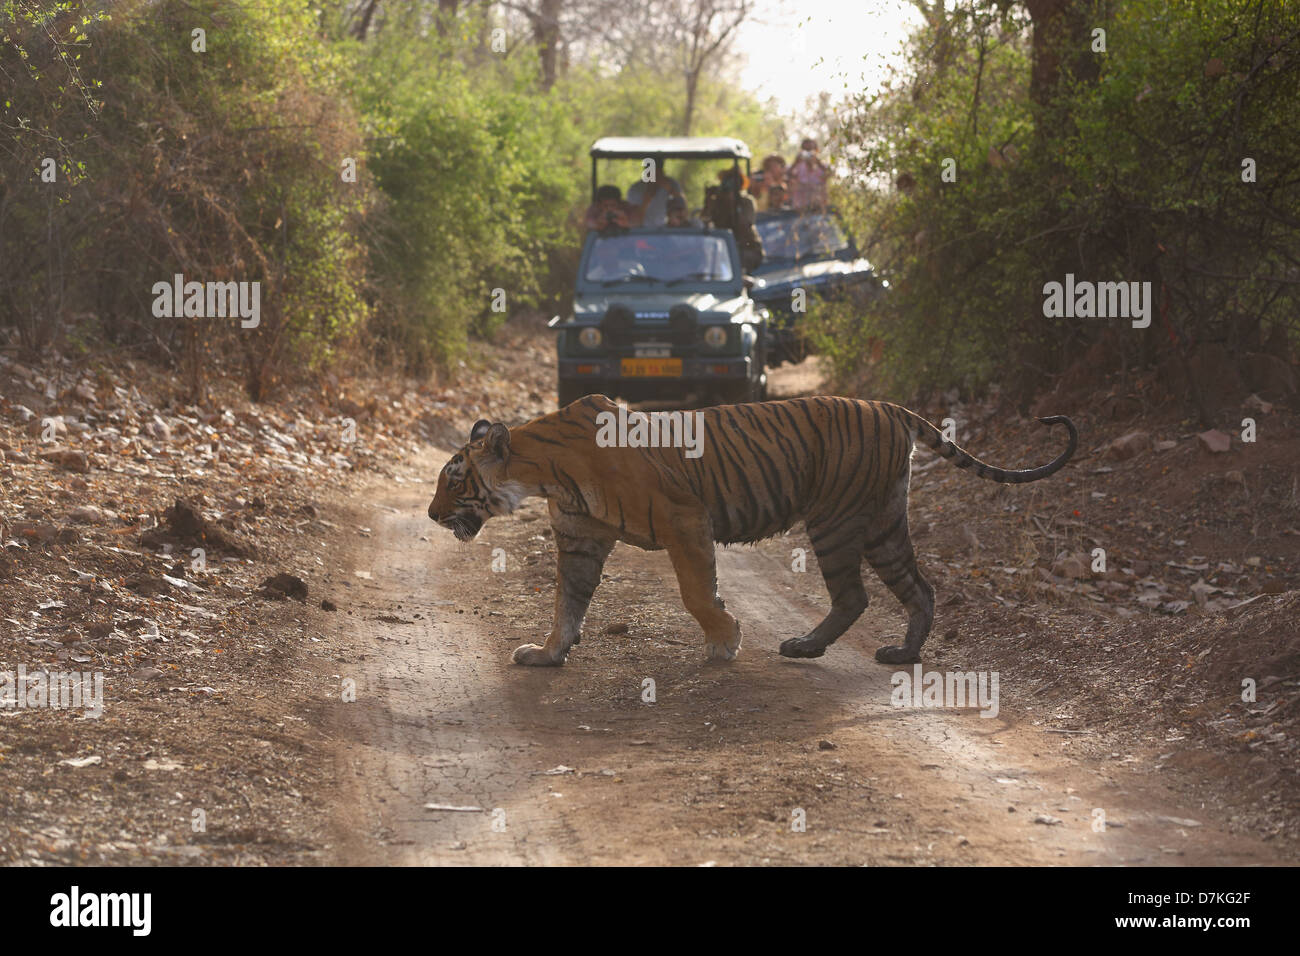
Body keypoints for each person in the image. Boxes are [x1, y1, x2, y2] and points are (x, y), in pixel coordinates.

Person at [625, 155, 684, 228]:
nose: (656, 176)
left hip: (665, 231)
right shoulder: (635, 189)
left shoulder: (671, 184)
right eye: (652, 172)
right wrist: (647, 198)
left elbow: (683, 211)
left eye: (658, 171)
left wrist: (672, 192)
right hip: (642, 231)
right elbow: (633, 222)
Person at [788, 137, 829, 211]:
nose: (808, 153)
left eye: (810, 150)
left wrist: (818, 162)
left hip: (818, 207)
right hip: (800, 208)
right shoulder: (797, 166)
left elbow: (829, 174)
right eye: (805, 150)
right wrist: (795, 162)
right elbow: (788, 176)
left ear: (816, 151)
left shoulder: (822, 167)